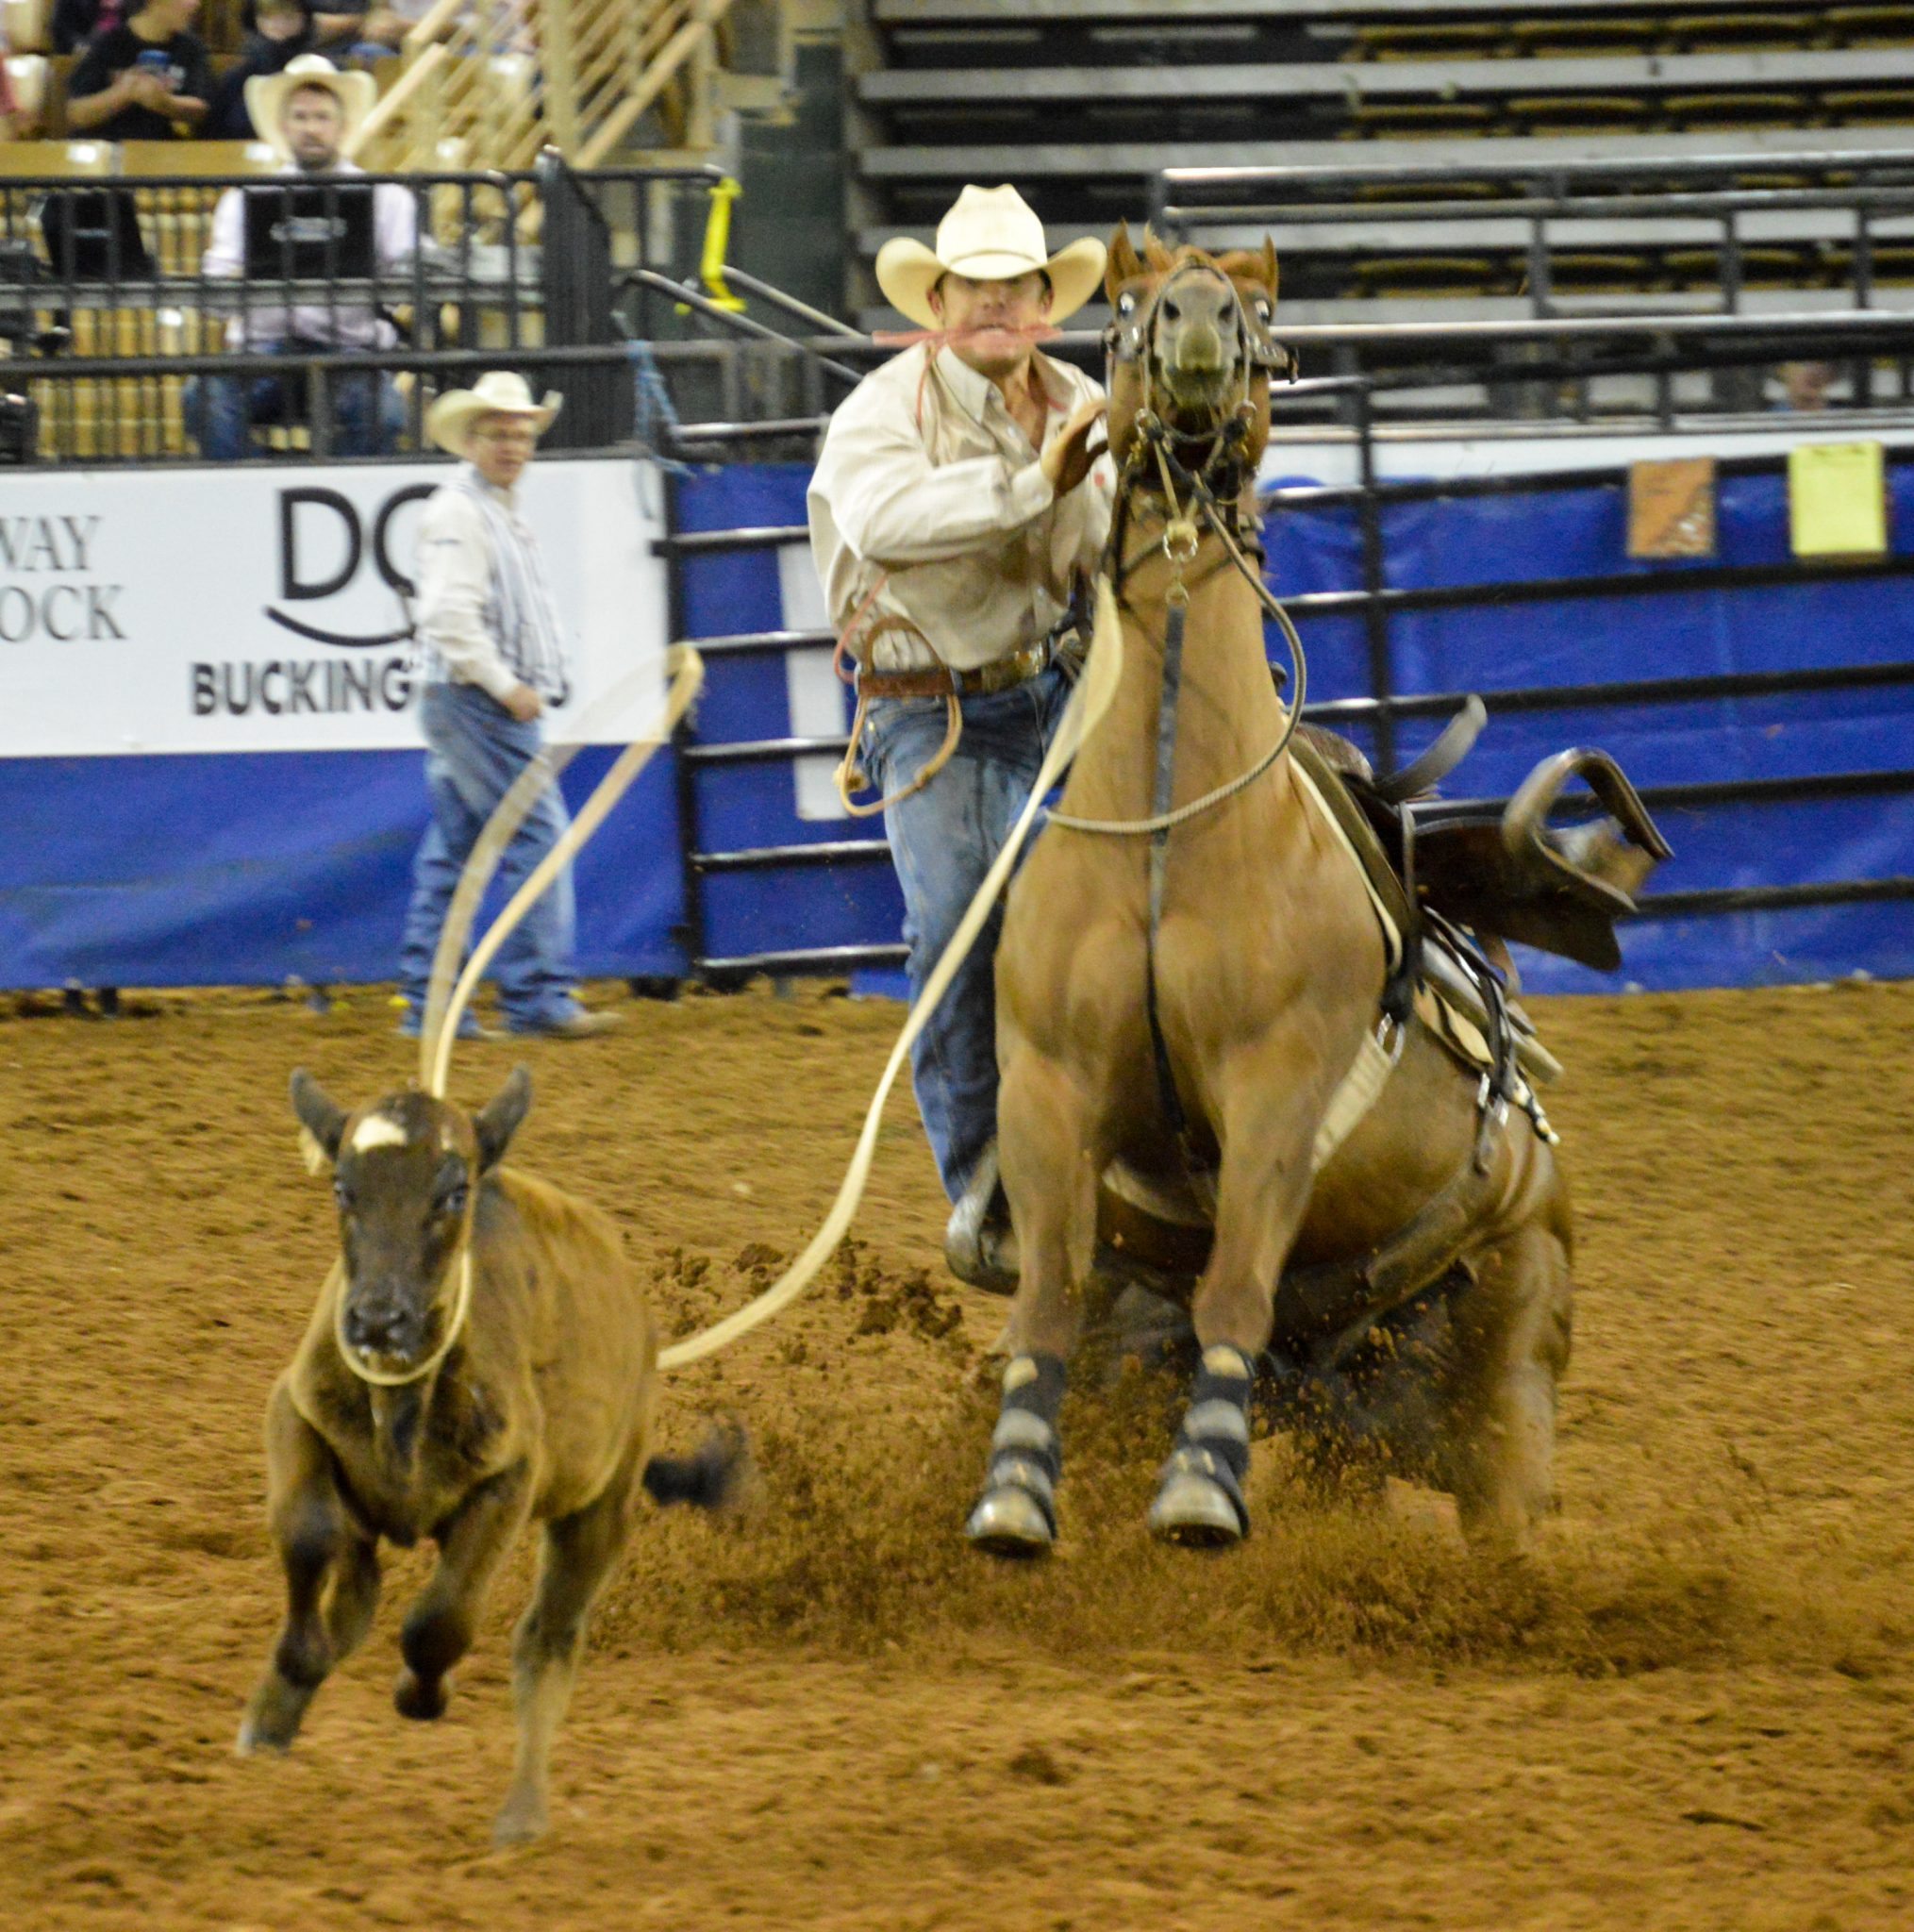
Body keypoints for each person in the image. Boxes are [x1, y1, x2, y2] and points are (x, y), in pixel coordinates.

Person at [807, 183, 1112, 1286]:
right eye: (971, 284)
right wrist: (1036, 482)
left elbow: (1120, 533)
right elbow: (887, 522)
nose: (992, 300)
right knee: (951, 929)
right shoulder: (880, 411)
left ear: (1043, 304)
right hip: (929, 711)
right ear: (935, 305)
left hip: (1066, 689)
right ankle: (985, 1184)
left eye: (1012, 283)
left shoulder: (1084, 400)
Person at [394, 370, 623, 1041]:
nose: (513, 447)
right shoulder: (463, 513)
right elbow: (448, 617)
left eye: (521, 435)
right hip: (475, 702)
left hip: (465, 701)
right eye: (498, 434)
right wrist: (506, 686)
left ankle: (435, 1006)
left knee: (457, 852)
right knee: (536, 838)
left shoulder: (485, 510)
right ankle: (535, 996)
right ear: (470, 442)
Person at [188, 55, 414, 461]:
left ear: (342, 125)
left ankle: (333, 485)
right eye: (301, 117)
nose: (311, 128)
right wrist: (232, 284)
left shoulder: (387, 197)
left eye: (322, 117)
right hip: (261, 350)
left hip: (351, 352)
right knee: (202, 398)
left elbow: (409, 275)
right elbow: (216, 290)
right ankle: (258, 486)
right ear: (284, 126)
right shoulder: (246, 198)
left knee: (384, 414)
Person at [64, 0, 211, 140]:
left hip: (161, 150)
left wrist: (164, 102)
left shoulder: (191, 48)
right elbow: (76, 113)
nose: (195, 3)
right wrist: (123, 94)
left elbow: (202, 109)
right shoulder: (109, 43)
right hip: (107, 147)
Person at [206, 0, 317, 139]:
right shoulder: (239, 75)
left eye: (288, 17)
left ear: (304, 20)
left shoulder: (316, 67)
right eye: (267, 17)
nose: (278, 25)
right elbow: (216, 129)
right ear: (255, 20)